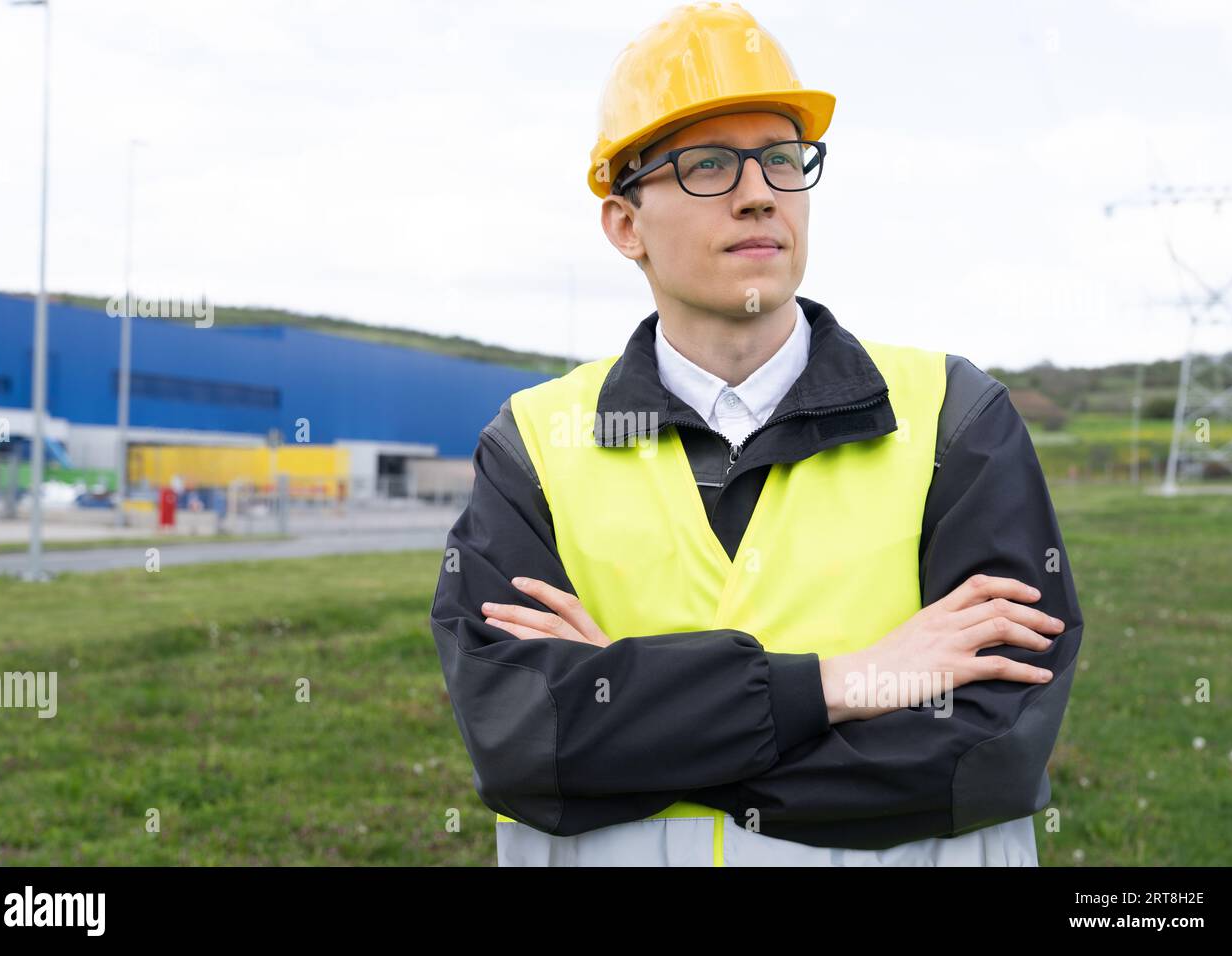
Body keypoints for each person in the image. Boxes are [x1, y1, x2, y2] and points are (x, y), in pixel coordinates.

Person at [430, 1, 1082, 866]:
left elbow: (987, 750)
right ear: (625, 225)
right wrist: (844, 683)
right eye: (707, 165)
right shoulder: (534, 442)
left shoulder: (956, 417)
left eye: (781, 158)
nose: (758, 193)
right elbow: (520, 739)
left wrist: (633, 721)